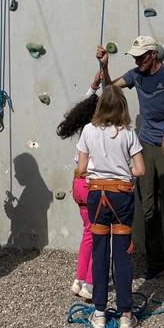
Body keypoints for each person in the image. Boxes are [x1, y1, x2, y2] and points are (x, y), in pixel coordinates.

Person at [103, 36, 164, 292]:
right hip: (144, 146)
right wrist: (104, 66)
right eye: (134, 57)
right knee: (147, 208)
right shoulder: (136, 75)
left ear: (153, 55)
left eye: (140, 56)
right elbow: (110, 89)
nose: (137, 61)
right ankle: (156, 261)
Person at [76, 86, 145, 328]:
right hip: (121, 195)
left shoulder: (88, 131)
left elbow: (81, 168)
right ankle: (126, 314)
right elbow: (140, 169)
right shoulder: (128, 133)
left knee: (100, 252)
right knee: (123, 254)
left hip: (96, 194)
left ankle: (99, 313)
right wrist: (121, 169)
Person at [56, 65, 108, 302]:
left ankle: (79, 280)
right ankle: (89, 282)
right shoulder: (102, 130)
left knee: (88, 232)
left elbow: (89, 103)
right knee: (99, 235)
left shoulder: (84, 128)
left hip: (78, 184)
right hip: (93, 185)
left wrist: (94, 86)